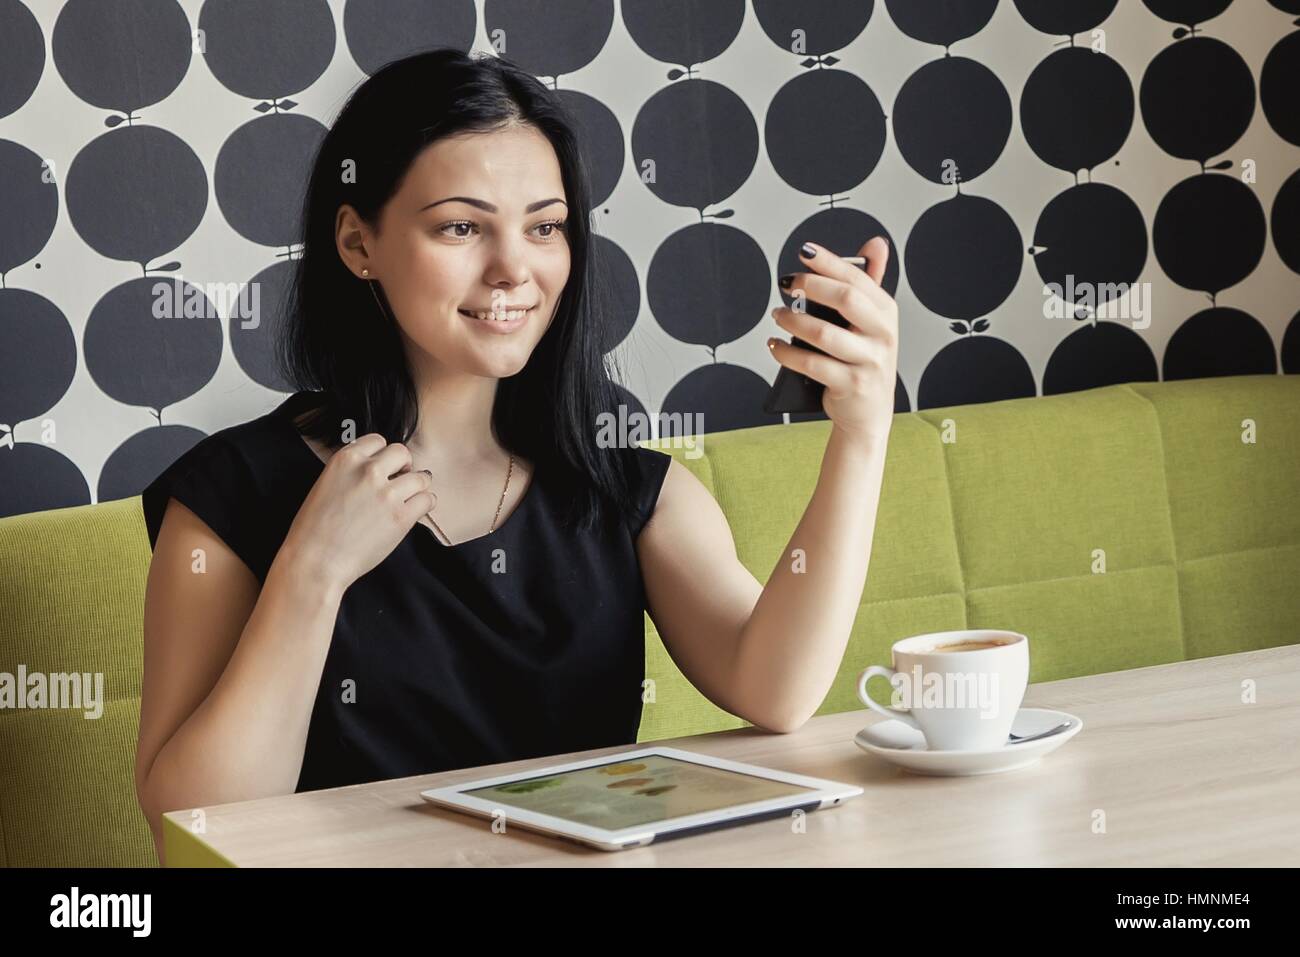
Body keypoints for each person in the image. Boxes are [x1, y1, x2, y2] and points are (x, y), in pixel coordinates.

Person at [133, 48, 899, 864]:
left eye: (543, 226)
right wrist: (312, 572)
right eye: (461, 226)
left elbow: (776, 690)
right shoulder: (232, 497)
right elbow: (195, 825)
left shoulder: (627, 489)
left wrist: (861, 435)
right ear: (359, 243)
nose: (513, 269)